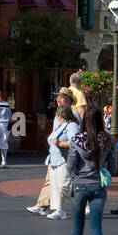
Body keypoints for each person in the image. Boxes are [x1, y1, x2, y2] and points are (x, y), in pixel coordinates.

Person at [64, 106, 118, 235]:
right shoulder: (107, 139)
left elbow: (70, 164)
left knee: (77, 225)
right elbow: (114, 165)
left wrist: (73, 179)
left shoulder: (76, 140)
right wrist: (104, 171)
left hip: (80, 184)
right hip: (98, 185)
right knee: (96, 228)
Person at [45, 88, 81, 219]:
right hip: (55, 159)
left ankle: (82, 203)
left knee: (63, 185)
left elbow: (75, 142)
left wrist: (60, 143)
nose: (57, 116)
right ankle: (58, 210)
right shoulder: (61, 125)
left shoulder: (72, 125)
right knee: (55, 185)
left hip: (64, 159)